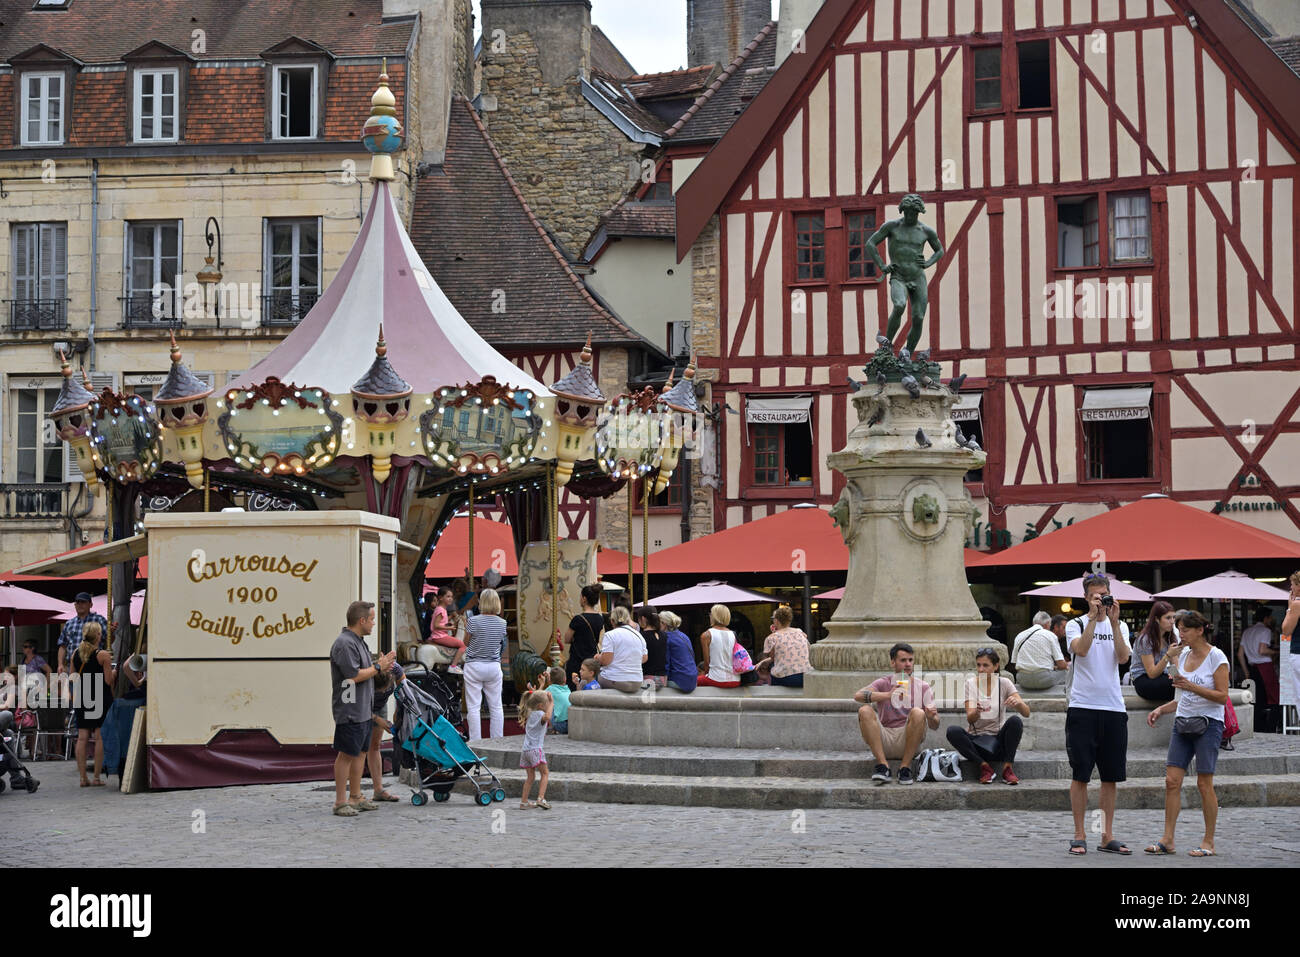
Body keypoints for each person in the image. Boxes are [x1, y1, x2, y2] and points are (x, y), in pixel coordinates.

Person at [1144, 610, 1230, 857]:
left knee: (1204, 784)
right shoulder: (1181, 655)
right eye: (1179, 629)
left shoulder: (1217, 657)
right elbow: (1182, 695)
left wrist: (1192, 685)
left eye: (1185, 629)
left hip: (1209, 723)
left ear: (1200, 630)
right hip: (1183, 722)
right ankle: (1167, 839)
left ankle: (1209, 841)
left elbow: (1222, 696)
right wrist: (1162, 709)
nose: (1181, 633)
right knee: (1171, 781)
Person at [1064, 573, 1133, 856]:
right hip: (1083, 706)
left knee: (1110, 776)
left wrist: (1114, 622)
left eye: (1104, 595)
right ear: (1086, 597)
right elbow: (1080, 649)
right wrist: (1093, 618)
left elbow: (1122, 657)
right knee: (1081, 774)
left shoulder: (1122, 625)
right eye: (1095, 596)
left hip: (1113, 707)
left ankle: (1106, 835)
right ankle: (1080, 834)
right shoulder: (1075, 624)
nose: (1100, 600)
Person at [330, 601, 395, 817]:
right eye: (372, 619)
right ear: (362, 620)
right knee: (346, 754)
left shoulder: (357, 642)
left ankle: (356, 797)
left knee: (360, 752)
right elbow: (354, 675)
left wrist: (381, 665)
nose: (374, 623)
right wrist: (378, 666)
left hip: (362, 708)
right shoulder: (345, 644)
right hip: (350, 708)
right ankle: (340, 802)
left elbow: (366, 671)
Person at [853, 643, 939, 785]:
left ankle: (905, 768)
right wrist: (887, 695)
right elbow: (857, 696)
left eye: (910, 660)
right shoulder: (883, 682)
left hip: (909, 741)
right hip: (884, 740)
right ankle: (883, 766)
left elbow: (935, 725)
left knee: (918, 712)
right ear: (893, 662)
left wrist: (931, 717)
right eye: (903, 660)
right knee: (864, 710)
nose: (908, 664)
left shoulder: (923, 686)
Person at [946, 648, 1030, 784]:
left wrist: (1018, 703)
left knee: (1015, 721)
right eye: (978, 665)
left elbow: (1026, 712)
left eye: (985, 665)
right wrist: (976, 712)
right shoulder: (970, 684)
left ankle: (1008, 768)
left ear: (996, 666)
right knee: (952, 731)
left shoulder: (1004, 683)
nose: (981, 669)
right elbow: (970, 718)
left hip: (998, 743)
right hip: (977, 744)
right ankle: (984, 767)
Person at [72, 621, 116, 787]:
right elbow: (108, 680)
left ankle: (83, 778)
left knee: (82, 737)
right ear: (97, 635)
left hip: (82, 697)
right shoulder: (103, 655)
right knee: (99, 737)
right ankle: (96, 777)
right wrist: (114, 672)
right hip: (100, 696)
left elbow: (72, 677)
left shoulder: (76, 653)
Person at [463, 588, 509, 742]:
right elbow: (501, 643)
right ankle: (497, 740)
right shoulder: (502, 623)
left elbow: (466, 642)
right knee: (496, 706)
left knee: (474, 707)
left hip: (474, 665)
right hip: (493, 666)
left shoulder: (473, 620)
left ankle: (476, 741)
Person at [366, 658, 405, 802]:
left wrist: (397, 712)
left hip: (380, 706)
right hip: (362, 706)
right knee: (358, 750)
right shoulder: (367, 677)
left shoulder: (396, 670)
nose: (383, 691)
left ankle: (378, 790)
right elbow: (358, 706)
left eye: (385, 690)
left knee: (374, 746)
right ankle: (355, 794)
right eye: (379, 690)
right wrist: (378, 720)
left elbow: (404, 693)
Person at [1238, 606, 1280, 733]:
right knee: (1274, 698)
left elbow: (1240, 654)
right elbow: (1262, 650)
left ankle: (1256, 727)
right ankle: (1270, 727)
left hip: (1252, 669)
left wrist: (1246, 672)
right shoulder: (1265, 631)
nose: (1272, 619)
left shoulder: (1247, 631)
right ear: (1266, 618)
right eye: (1270, 617)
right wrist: (1276, 652)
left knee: (1255, 700)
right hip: (1265, 667)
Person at [1130, 601, 1179, 703]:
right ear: (1157, 619)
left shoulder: (1170, 637)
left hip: (1162, 677)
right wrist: (1168, 655)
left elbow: (1177, 667)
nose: (1172, 621)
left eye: (1174, 617)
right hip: (1143, 680)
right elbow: (1152, 673)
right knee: (1175, 686)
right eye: (1168, 618)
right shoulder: (1145, 639)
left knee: (1186, 684)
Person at [756, 605, 812, 687]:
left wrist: (774, 633)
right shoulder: (800, 632)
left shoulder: (772, 637)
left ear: (776, 621)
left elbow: (773, 658)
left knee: (773, 668)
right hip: (806, 676)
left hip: (787, 679)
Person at [1011, 612, 1068, 690]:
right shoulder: (1050, 635)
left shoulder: (1019, 636)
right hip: (1044, 680)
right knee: (1066, 672)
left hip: (1023, 680)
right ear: (1048, 623)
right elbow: (1062, 665)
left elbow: (1015, 663)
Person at [564, 584, 606, 690]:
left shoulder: (578, 619)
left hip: (576, 660)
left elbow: (567, 639)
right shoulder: (600, 618)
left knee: (574, 689)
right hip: (591, 661)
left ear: (584, 599)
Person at [597, 606, 649, 692]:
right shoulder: (639, 636)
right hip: (637, 681)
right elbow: (644, 658)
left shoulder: (610, 635)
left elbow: (606, 661)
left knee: (592, 677)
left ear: (612, 621)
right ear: (628, 620)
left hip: (615, 680)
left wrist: (598, 658)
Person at [57, 592, 108, 675]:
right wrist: (60, 664)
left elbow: (109, 640)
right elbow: (62, 646)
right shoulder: (69, 623)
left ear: (90, 604)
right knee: (74, 687)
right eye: (78, 602)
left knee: (95, 688)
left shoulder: (99, 620)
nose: (80, 604)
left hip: (94, 665)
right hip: (74, 667)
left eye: (83, 602)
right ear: (75, 605)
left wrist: (112, 633)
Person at [517, 689, 552, 809]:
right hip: (536, 749)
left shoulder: (530, 712)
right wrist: (551, 703)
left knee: (530, 777)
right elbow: (547, 716)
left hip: (526, 750)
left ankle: (524, 802)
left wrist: (541, 687)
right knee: (545, 773)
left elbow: (534, 699)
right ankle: (541, 798)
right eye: (547, 704)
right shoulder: (540, 714)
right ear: (541, 706)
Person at [698, 604, 744, 688]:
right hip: (736, 680)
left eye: (711, 613)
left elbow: (706, 663)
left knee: (692, 681)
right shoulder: (733, 634)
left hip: (716, 679)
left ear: (714, 616)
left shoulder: (706, 635)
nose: (710, 615)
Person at [425, 586, 465, 674]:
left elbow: (439, 624)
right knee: (462, 645)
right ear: (440, 598)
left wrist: (447, 624)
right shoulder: (441, 610)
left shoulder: (440, 609)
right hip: (439, 636)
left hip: (439, 635)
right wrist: (449, 628)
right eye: (448, 596)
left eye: (451, 597)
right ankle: (453, 666)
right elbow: (436, 625)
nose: (451, 599)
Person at [658, 611, 698, 693]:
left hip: (679, 682)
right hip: (693, 680)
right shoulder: (684, 636)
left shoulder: (666, 638)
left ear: (664, 624)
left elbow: (666, 664)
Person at [637, 605, 667, 689]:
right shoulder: (664, 635)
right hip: (662, 679)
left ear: (643, 619)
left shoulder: (641, 636)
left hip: (647, 679)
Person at [543, 667, 572, 734]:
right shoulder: (567, 689)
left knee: (546, 704)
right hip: (571, 724)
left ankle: (551, 728)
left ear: (550, 680)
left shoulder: (550, 689)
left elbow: (538, 697)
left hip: (560, 726)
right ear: (565, 679)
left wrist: (542, 684)